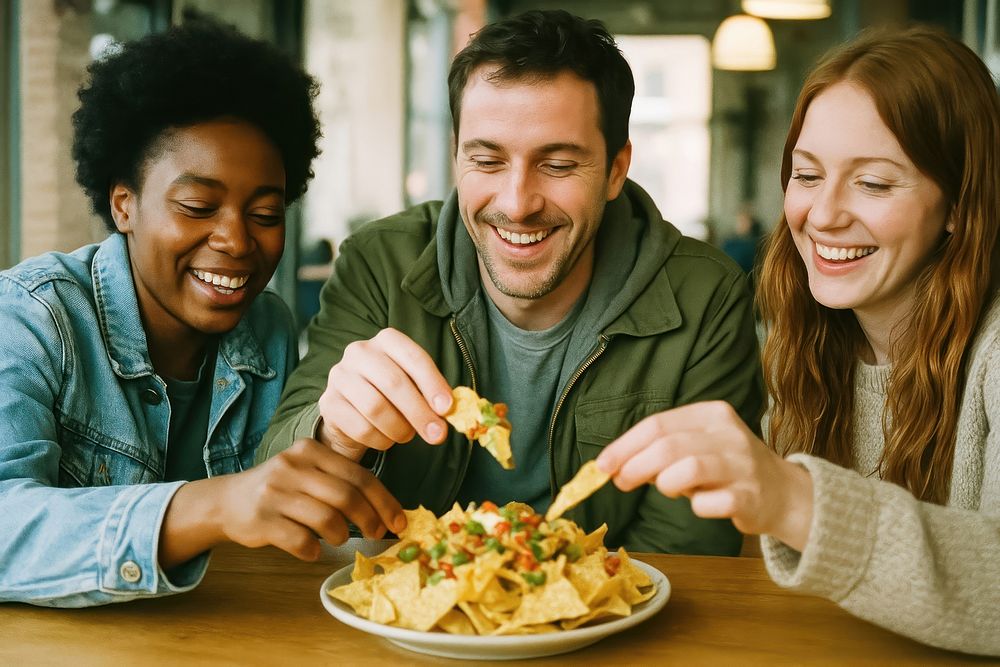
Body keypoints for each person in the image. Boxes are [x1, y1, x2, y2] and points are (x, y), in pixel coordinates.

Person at [259, 10, 763, 555]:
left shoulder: (706, 296)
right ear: (456, 155)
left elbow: (688, 552)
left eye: (559, 165)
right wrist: (334, 434)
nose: (518, 204)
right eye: (487, 160)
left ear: (616, 170)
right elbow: (275, 488)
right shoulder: (378, 263)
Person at [597, 26, 1000, 655]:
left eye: (874, 183)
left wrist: (791, 499)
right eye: (807, 175)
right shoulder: (805, 338)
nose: (824, 214)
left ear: (958, 204)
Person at [0, 19, 403, 608]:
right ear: (124, 204)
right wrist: (211, 506)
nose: (236, 241)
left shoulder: (266, 329)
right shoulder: (32, 317)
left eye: (265, 215)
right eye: (196, 206)